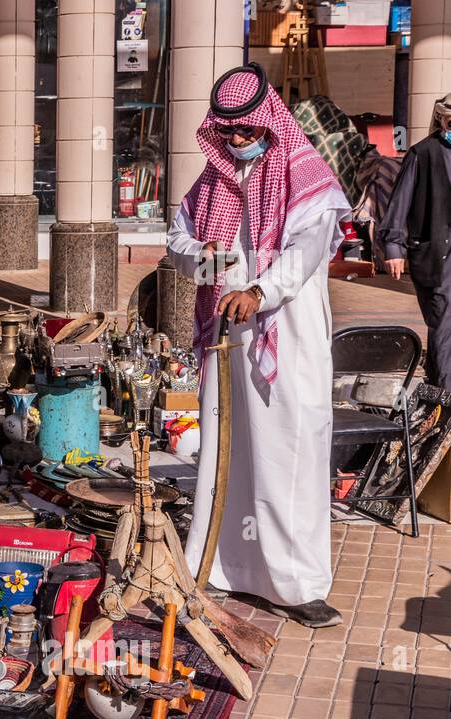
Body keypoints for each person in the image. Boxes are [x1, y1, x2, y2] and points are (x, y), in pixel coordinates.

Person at [166, 62, 351, 628]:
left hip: (285, 333)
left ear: (268, 120)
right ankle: (225, 568)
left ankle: (297, 585)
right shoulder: (215, 177)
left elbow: (305, 249)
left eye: (247, 130)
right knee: (229, 446)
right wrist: (207, 260)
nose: (239, 141)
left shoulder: (304, 171)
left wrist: (260, 290)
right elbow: (177, 238)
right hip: (228, 335)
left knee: (288, 451)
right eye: (230, 133)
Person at [378, 94, 451, 387]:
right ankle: (446, 399)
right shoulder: (423, 153)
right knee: (446, 324)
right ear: (440, 119)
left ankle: (436, 386)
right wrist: (393, 247)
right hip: (437, 255)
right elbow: (399, 204)